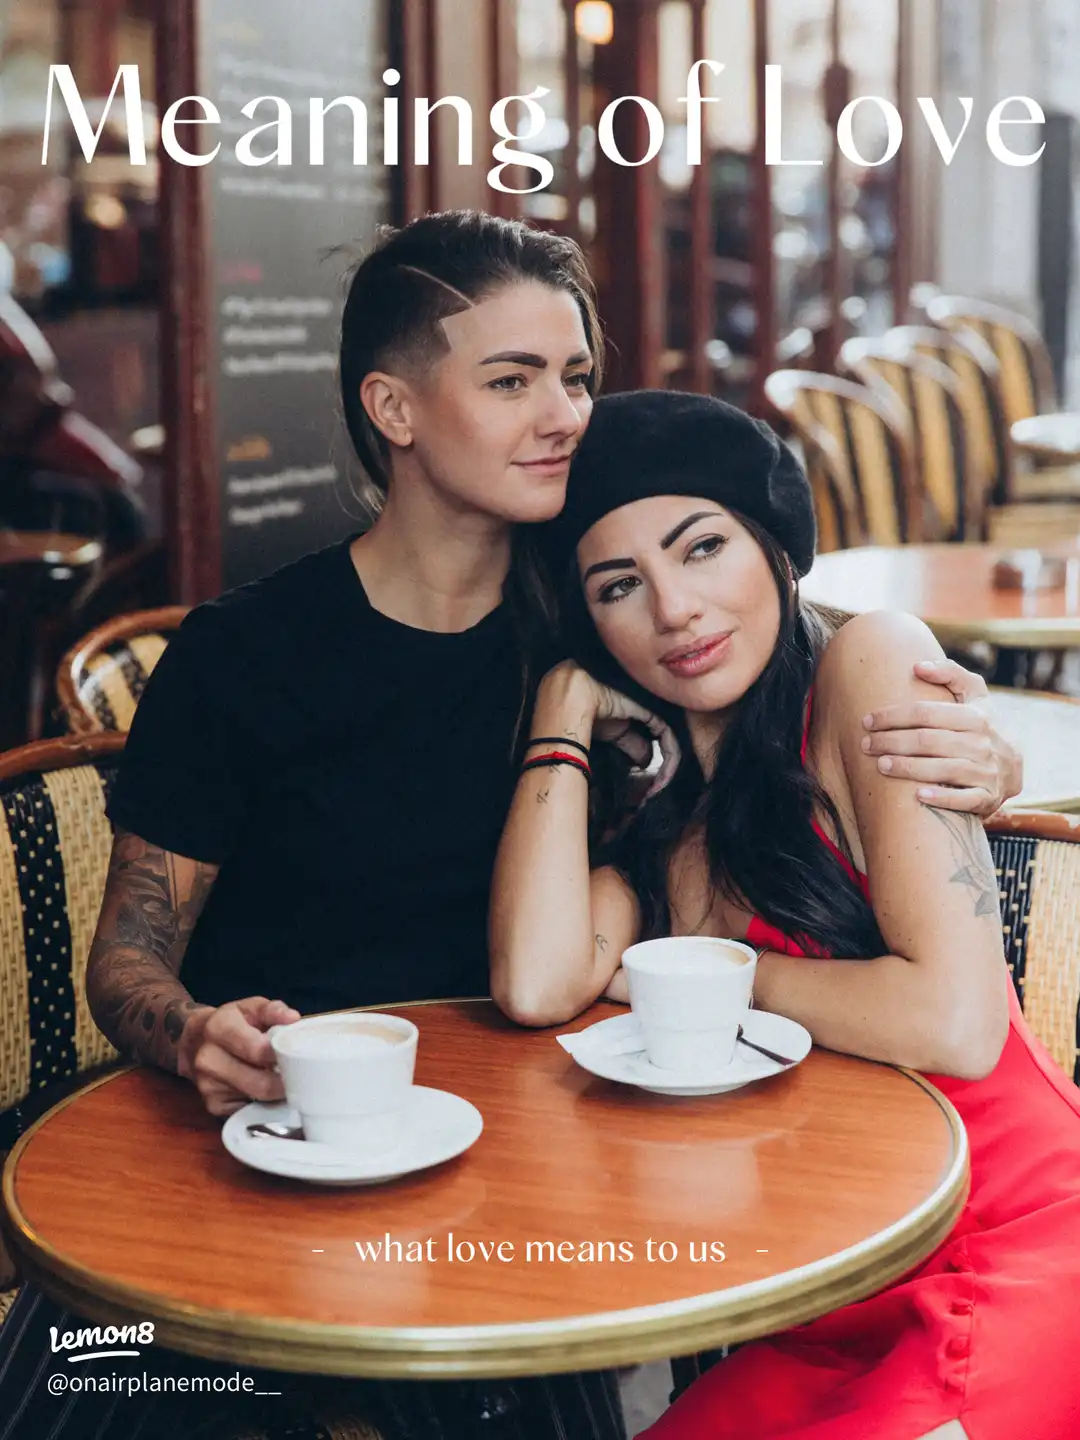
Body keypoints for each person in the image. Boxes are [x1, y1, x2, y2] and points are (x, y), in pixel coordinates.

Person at [0, 212, 1020, 1440]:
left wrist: (969, 735)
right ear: (396, 408)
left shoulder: (609, 633)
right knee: (118, 1382)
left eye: (578, 376)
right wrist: (189, 1034)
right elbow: (126, 957)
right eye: (513, 380)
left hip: (525, 1203)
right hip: (240, 1166)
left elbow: (766, 642)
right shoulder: (243, 655)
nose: (566, 414)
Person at [489, 388, 1080, 1440]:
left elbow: (953, 1023)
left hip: (1021, 1252)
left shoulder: (868, 665)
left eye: (702, 546)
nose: (673, 610)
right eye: (620, 586)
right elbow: (535, 983)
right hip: (829, 1308)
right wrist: (563, 709)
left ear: (774, 547)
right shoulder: (663, 835)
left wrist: (713, 967)